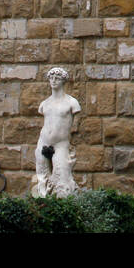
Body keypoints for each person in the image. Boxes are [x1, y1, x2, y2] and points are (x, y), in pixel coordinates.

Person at [33, 66, 81, 197]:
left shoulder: (72, 103)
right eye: (51, 78)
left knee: (63, 179)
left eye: (57, 78)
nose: (53, 81)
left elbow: (75, 127)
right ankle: (42, 209)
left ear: (63, 81)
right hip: (43, 142)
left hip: (61, 144)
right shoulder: (44, 104)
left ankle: (63, 211)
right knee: (42, 181)